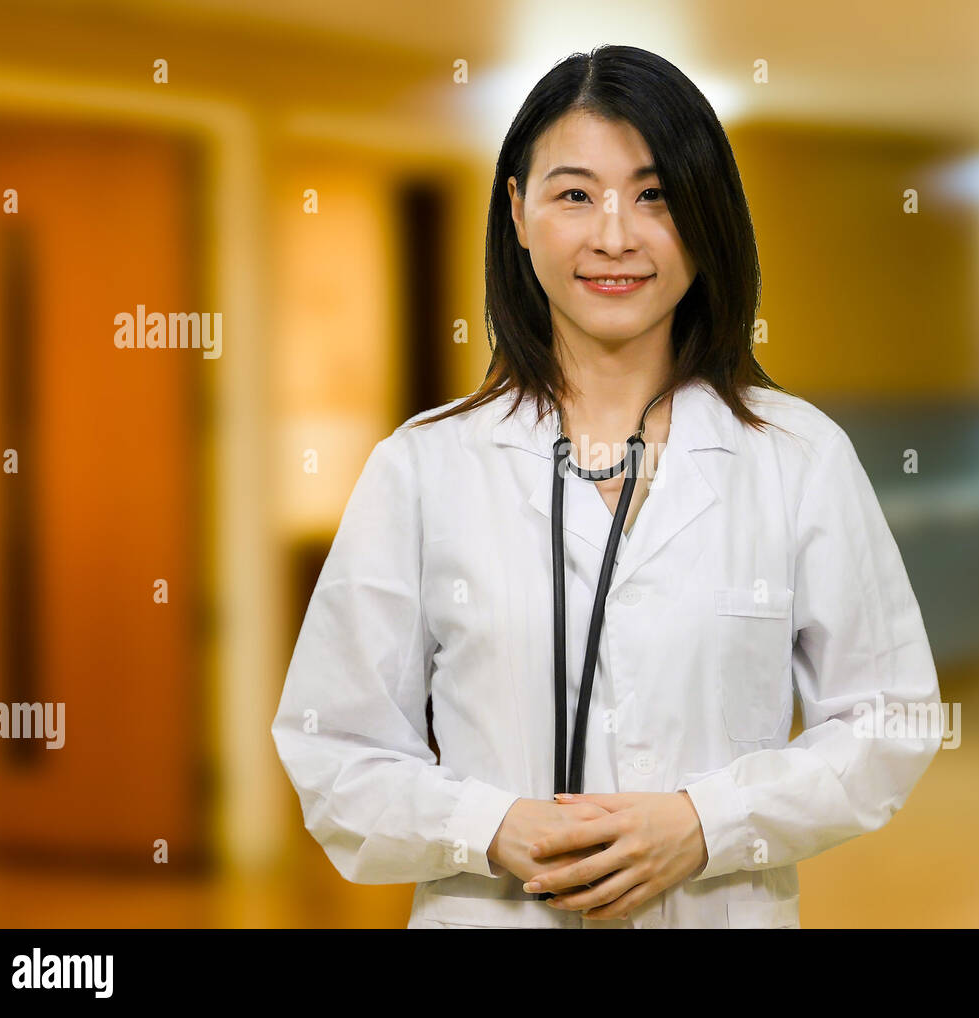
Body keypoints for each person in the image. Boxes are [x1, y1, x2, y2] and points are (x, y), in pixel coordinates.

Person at [271, 44, 942, 929]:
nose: (615, 236)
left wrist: (708, 823)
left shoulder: (798, 459)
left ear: (708, 218)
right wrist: (490, 826)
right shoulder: (423, 467)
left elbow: (889, 720)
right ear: (516, 211)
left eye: (656, 195)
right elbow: (334, 743)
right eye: (575, 193)